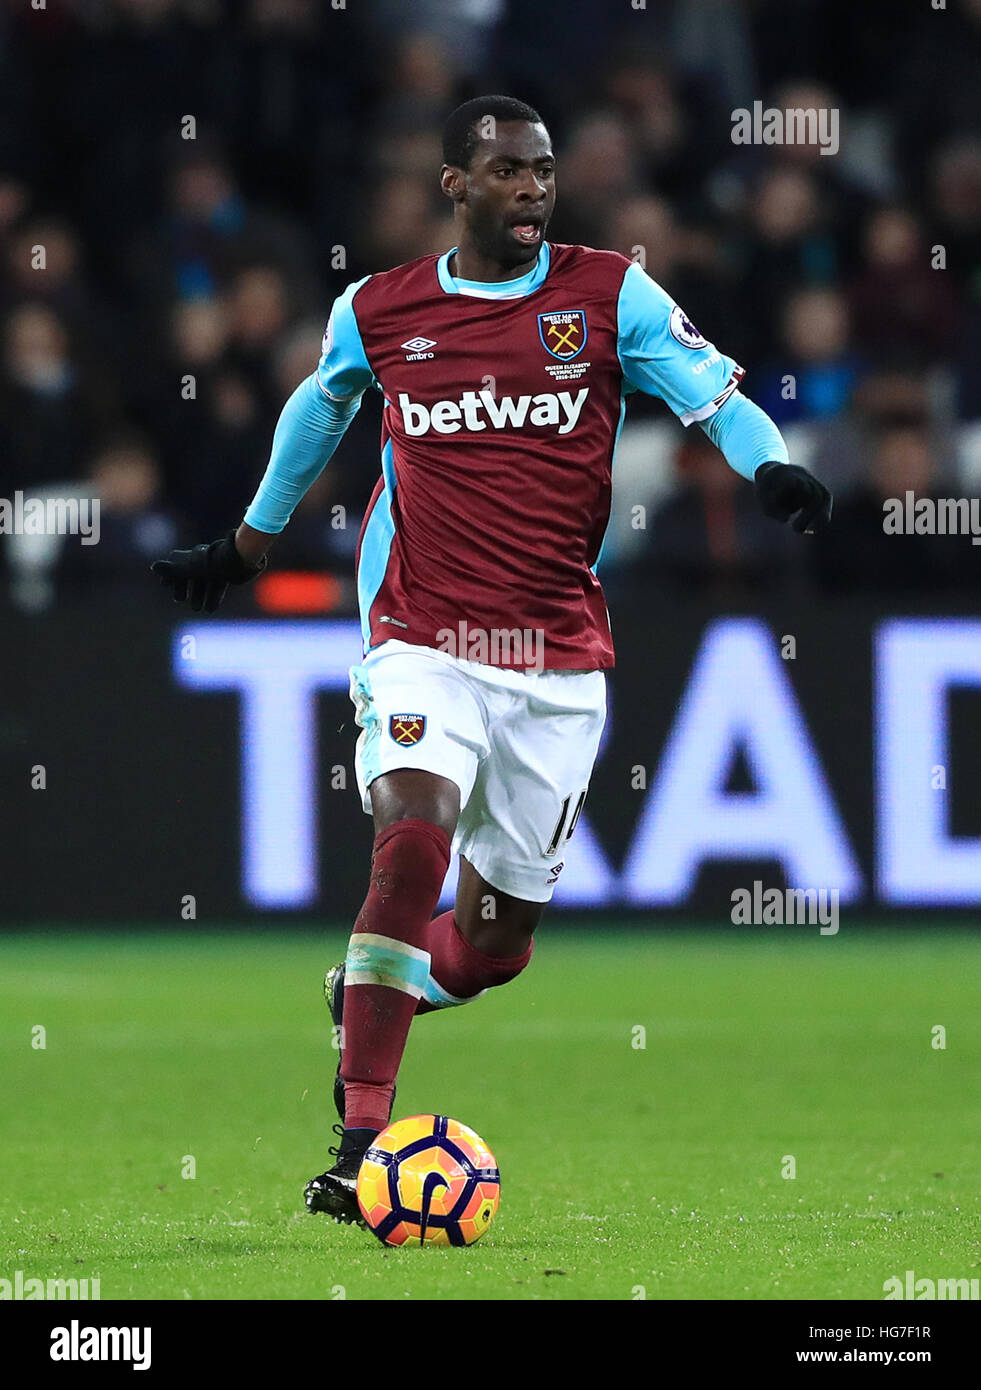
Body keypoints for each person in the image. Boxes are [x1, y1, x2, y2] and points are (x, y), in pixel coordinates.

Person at [151, 95, 831, 1226]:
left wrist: (772, 469)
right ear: (455, 185)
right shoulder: (381, 310)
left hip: (556, 657)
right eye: (509, 172)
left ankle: (375, 980)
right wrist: (248, 542)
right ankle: (361, 1138)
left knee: (492, 946)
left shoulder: (607, 294)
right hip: (422, 636)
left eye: (545, 172)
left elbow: (716, 391)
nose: (533, 190)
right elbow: (320, 415)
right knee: (409, 833)